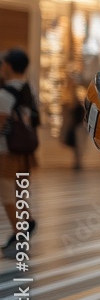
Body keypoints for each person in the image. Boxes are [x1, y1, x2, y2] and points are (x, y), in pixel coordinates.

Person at [0, 49, 39, 256]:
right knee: (20, 191)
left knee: (7, 194)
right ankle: (28, 221)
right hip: (26, 152)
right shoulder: (29, 90)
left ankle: (19, 233)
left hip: (7, 152)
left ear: (7, 65)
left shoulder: (4, 95)